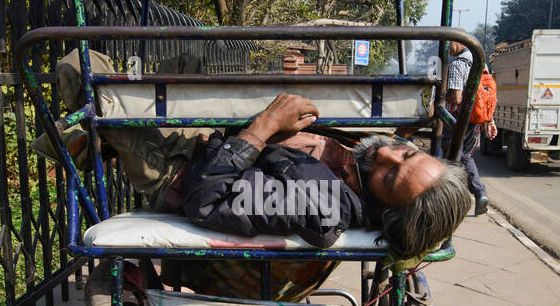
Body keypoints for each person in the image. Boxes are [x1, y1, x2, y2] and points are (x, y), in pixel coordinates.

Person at [38, 49, 472, 262]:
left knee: (81, 63)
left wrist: (265, 124)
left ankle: (91, 140)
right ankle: (96, 138)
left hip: (177, 171)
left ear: (384, 209)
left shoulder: (323, 205)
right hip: (210, 140)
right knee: (186, 61)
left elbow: (208, 199)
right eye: (406, 153)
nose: (387, 157)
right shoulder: (358, 162)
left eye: (392, 177)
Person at [445, 37, 496, 216]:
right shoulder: (481, 65)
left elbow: (457, 98)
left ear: (458, 43)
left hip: (458, 119)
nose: (447, 48)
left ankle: (450, 201)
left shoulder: (459, 64)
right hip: (475, 121)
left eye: (448, 43)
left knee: (452, 157)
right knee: (465, 156)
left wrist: (444, 97)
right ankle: (480, 193)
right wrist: (489, 120)